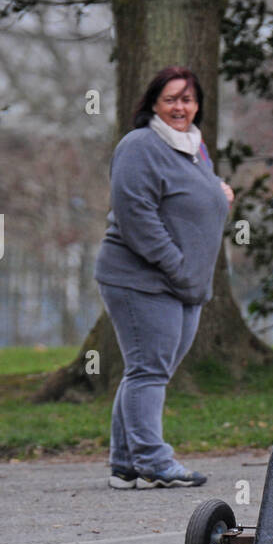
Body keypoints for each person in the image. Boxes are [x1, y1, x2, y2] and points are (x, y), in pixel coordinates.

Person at [93, 65, 234, 489]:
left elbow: (191, 197)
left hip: (185, 283)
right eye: (171, 98)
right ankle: (154, 461)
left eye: (188, 99)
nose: (180, 107)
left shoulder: (193, 148)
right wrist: (176, 266)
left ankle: (125, 463)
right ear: (153, 102)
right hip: (141, 279)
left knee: (147, 371)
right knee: (148, 370)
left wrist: (219, 193)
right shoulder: (140, 145)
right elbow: (137, 217)